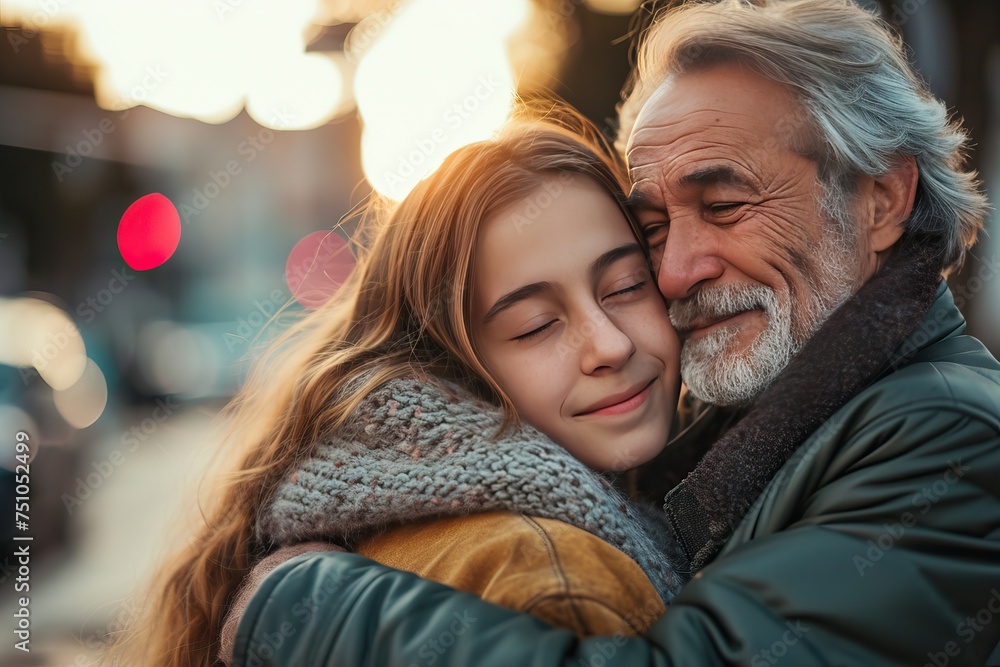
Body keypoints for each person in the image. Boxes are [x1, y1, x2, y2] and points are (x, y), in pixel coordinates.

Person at [223, 1, 1000, 665]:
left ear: (883, 199)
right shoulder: (737, 425)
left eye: (725, 206)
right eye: (655, 228)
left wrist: (309, 603)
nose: (675, 272)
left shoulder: (951, 435)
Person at [105, 105, 695, 667]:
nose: (610, 345)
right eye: (535, 326)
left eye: (625, 286)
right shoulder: (553, 581)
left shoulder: (378, 521)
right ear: (454, 367)